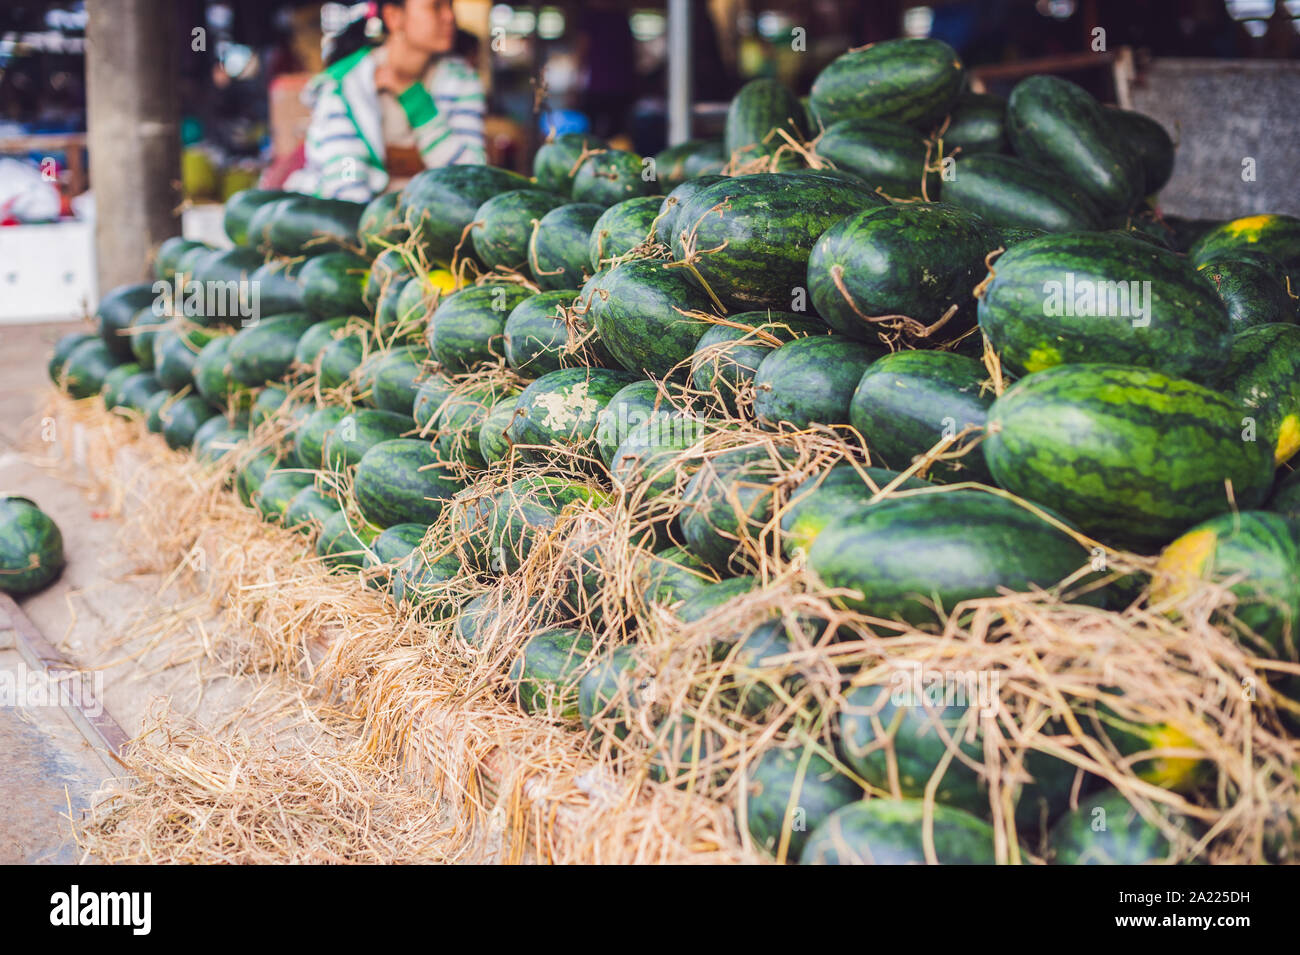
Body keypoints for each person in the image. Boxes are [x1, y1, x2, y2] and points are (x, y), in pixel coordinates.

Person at [286, 0, 485, 202]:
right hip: (358, 218)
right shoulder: (346, 85)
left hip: (426, 220)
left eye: (450, 5)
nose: (450, 16)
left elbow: (472, 179)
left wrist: (415, 101)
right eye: (435, 7)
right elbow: (345, 177)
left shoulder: (462, 81)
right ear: (394, 17)